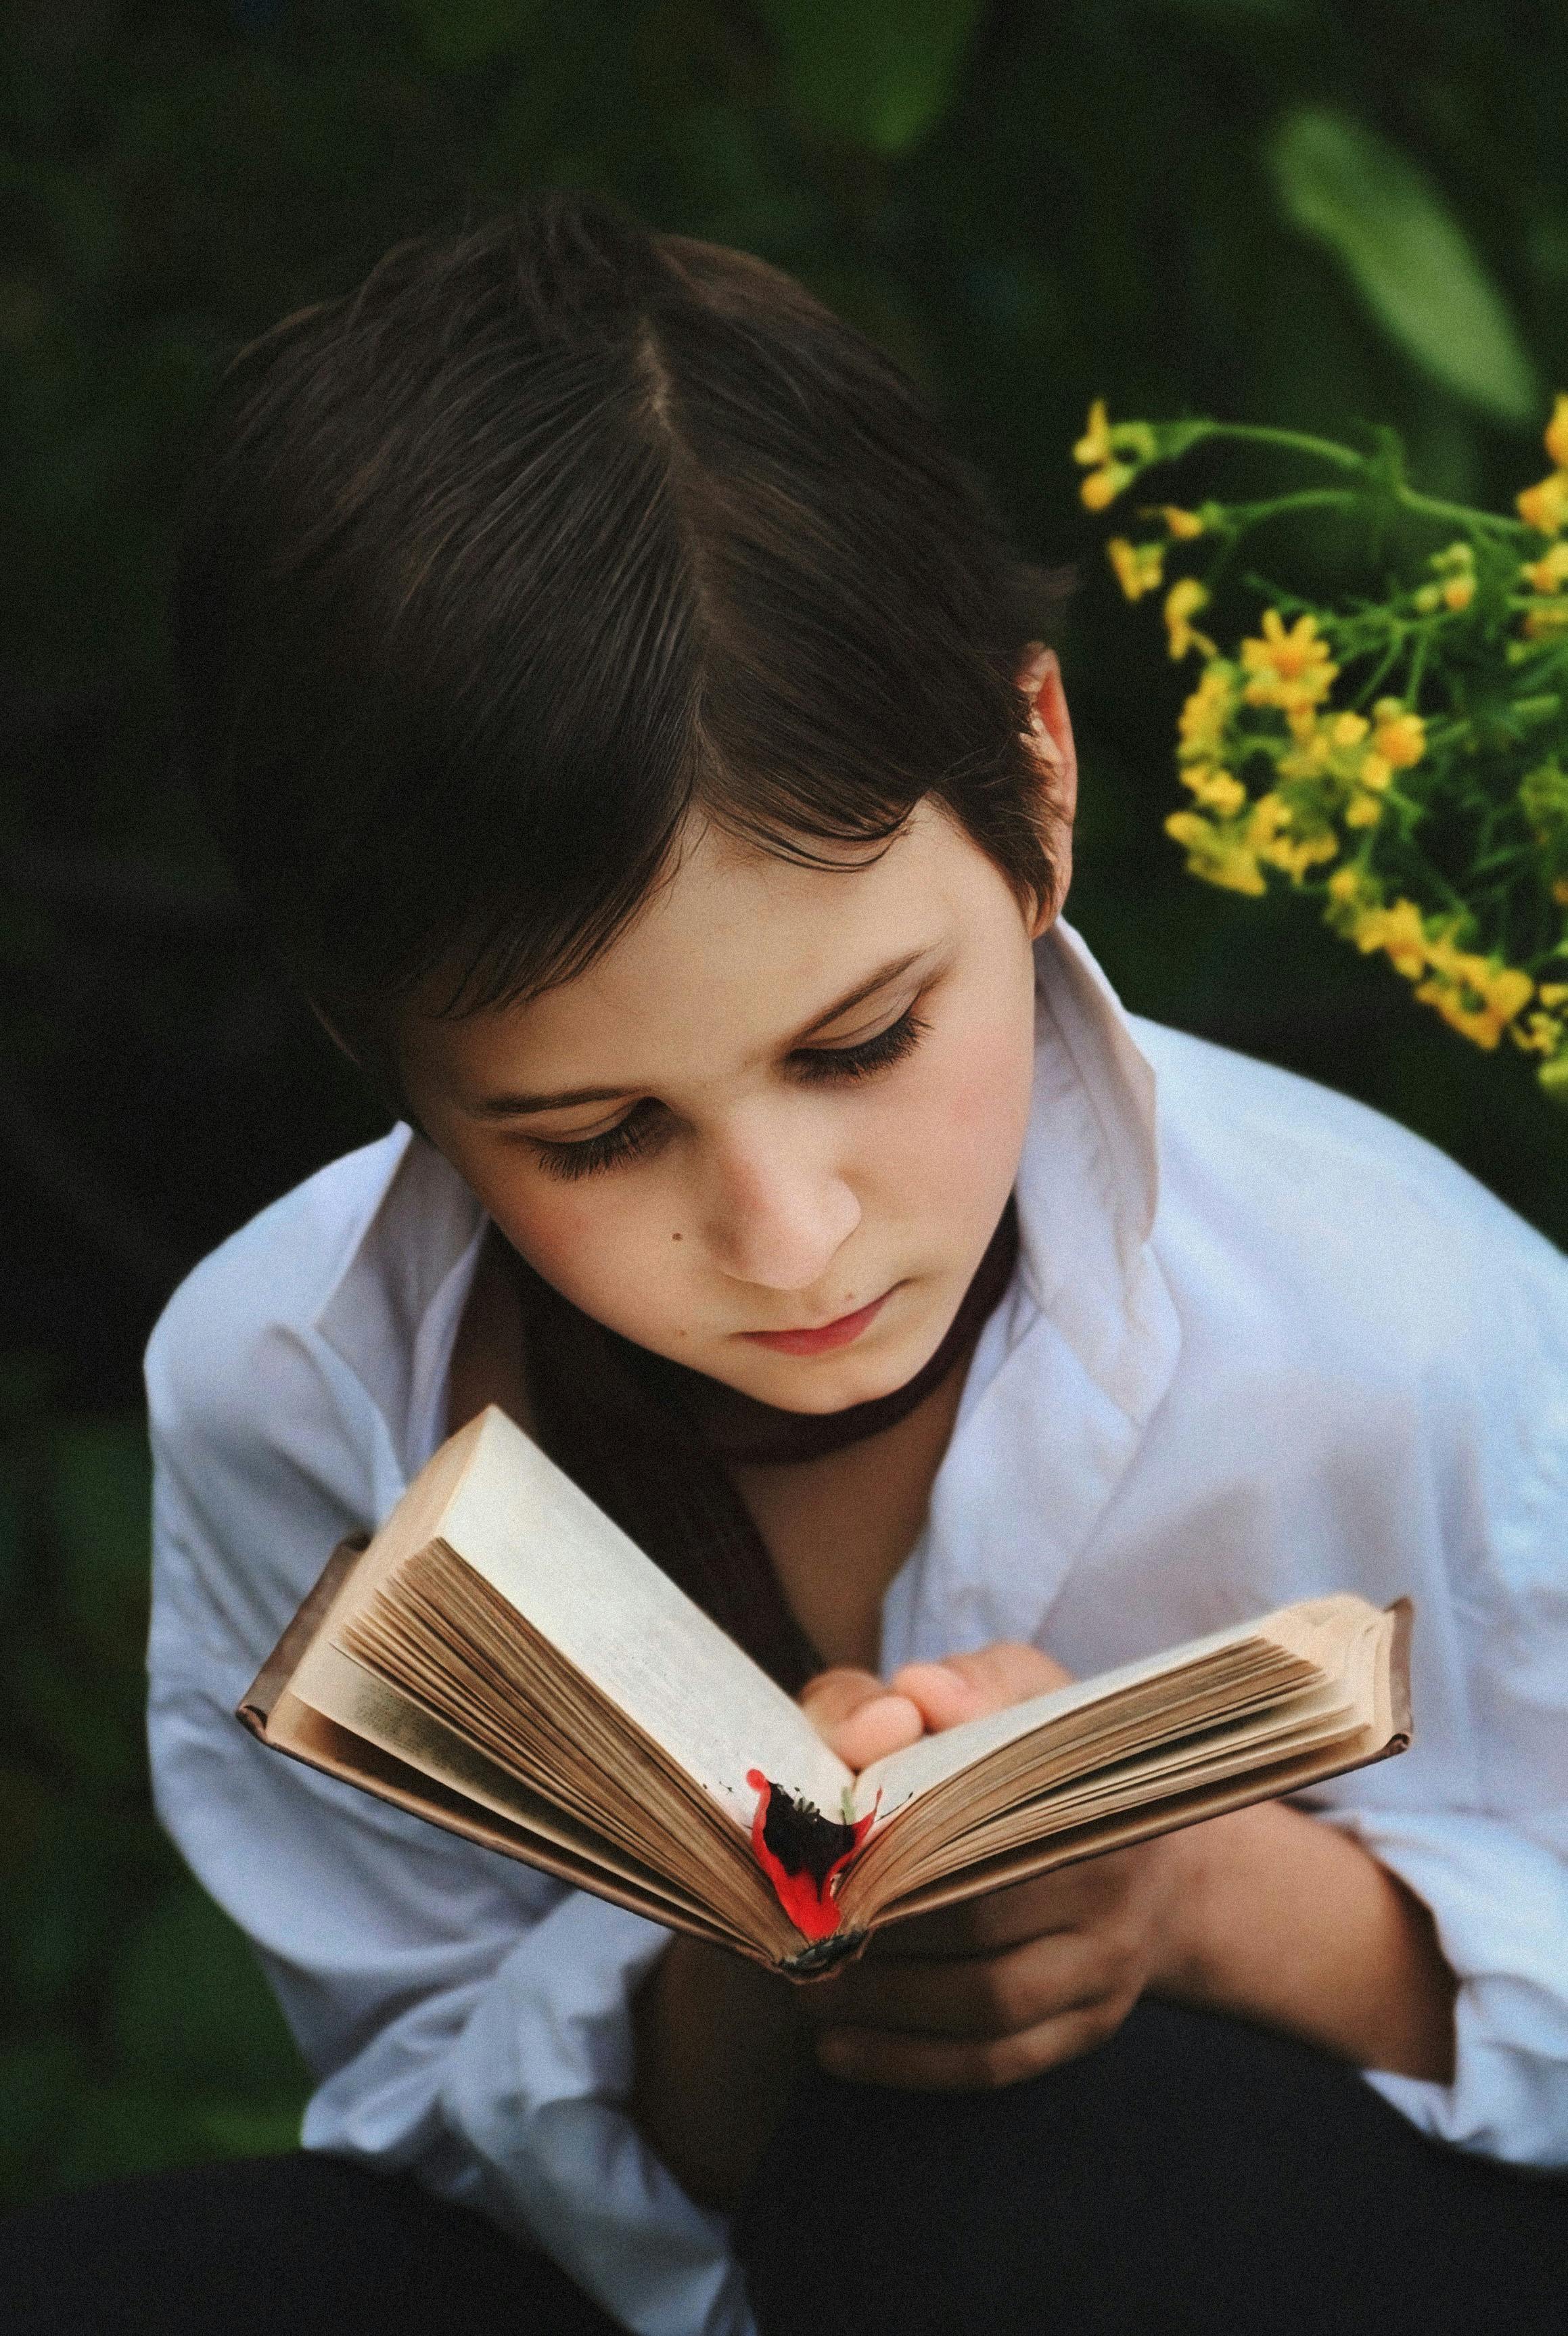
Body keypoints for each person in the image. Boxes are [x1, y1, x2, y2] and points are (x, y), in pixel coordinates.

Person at [4, 193, 1565, 2336]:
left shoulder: (1409, 1332)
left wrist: (1186, 1896)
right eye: (595, 1133)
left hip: (1290, 2240)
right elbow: (431, 2125)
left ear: (1038, 774)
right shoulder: (295, 1390)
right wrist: (764, 1974)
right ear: (393, 1059)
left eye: (863, 1043)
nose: (787, 1233)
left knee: (1018, 2166)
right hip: (717, 2263)